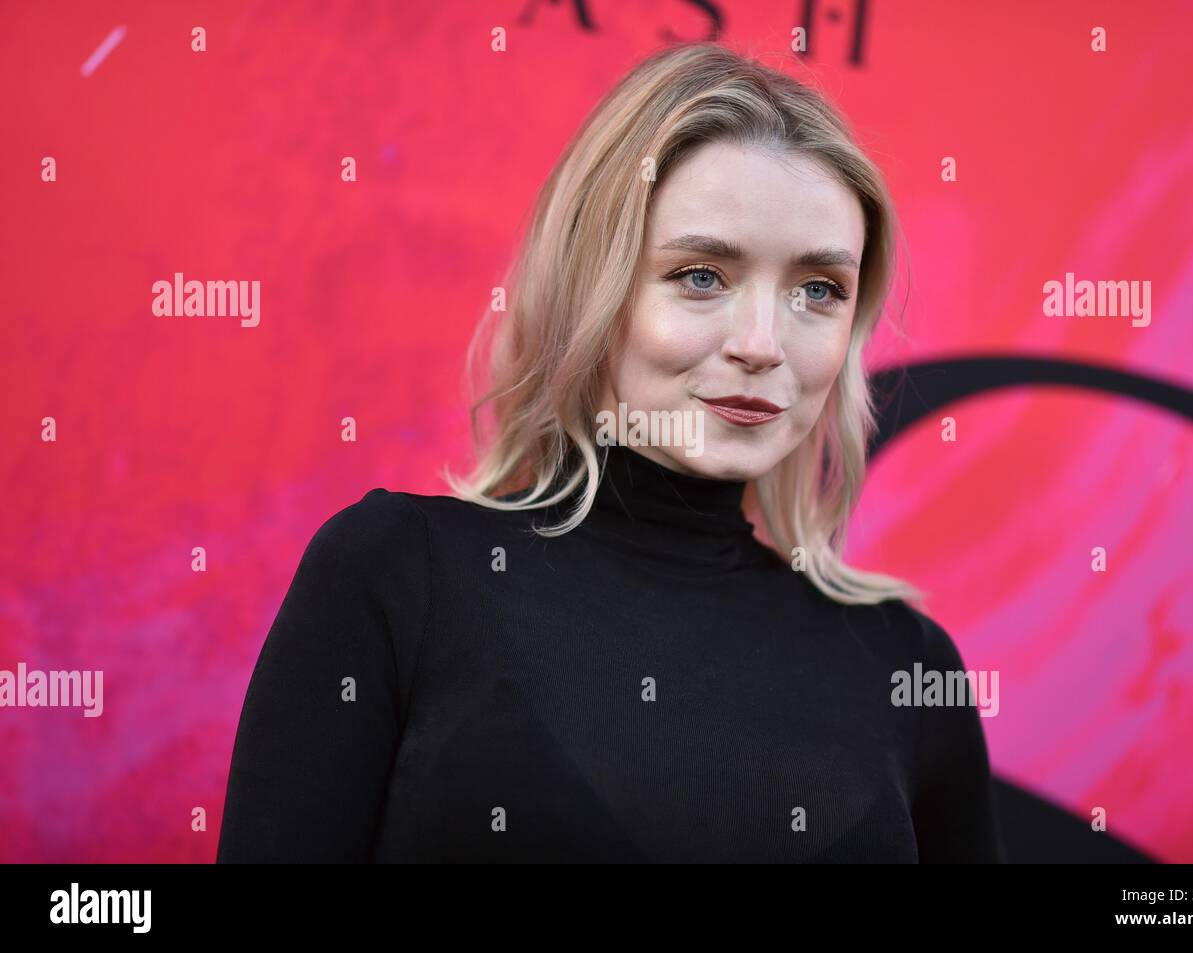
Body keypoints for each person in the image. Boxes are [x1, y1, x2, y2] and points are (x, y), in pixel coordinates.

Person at [216, 41, 1005, 863]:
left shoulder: (905, 665)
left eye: (818, 290)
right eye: (701, 275)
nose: (763, 344)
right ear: (591, 284)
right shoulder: (398, 576)